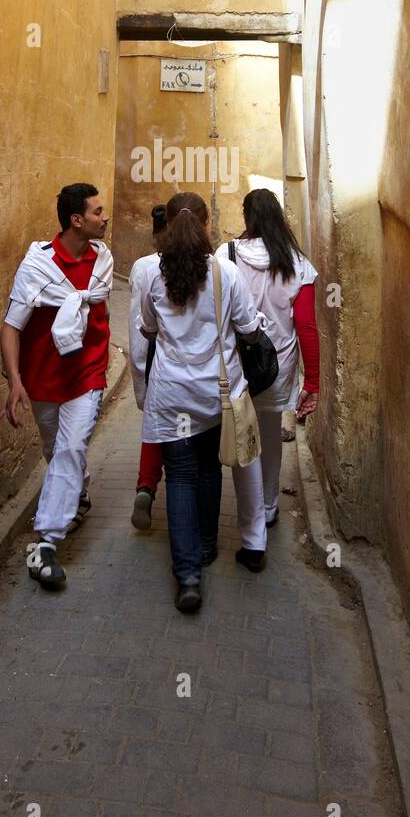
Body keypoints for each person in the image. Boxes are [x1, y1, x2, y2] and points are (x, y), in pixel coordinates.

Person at [140, 192, 261, 613]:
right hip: (215, 393)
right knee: (209, 467)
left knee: (180, 476)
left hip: (173, 394)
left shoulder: (155, 275)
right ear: (208, 224)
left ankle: (188, 573)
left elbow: (149, 328)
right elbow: (248, 328)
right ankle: (207, 544)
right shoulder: (225, 273)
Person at [0, 183, 112, 590]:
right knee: (57, 450)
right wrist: (15, 382)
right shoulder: (38, 266)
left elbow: (99, 307)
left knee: (70, 447)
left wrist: (103, 350)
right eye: (98, 212)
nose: (106, 217)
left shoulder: (102, 259)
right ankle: (78, 496)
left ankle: (46, 542)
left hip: (87, 375)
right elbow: (12, 327)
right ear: (77, 221)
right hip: (43, 379)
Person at [215, 189, 319, 538]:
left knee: (242, 433)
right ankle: (269, 505)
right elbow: (305, 325)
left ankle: (251, 515)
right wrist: (313, 382)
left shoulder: (226, 256)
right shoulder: (298, 264)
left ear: (247, 218)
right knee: (271, 436)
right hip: (279, 366)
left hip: (237, 364)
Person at [128, 204, 167, 529]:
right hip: (186, 368)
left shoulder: (142, 267)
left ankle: (146, 485)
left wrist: (140, 376)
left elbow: (137, 325)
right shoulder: (203, 265)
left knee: (154, 428)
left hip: (152, 360)